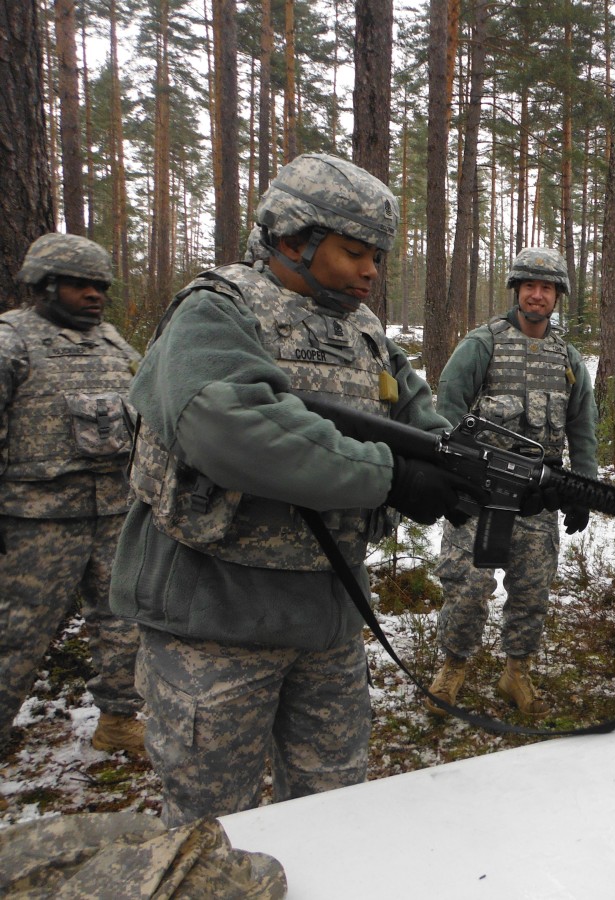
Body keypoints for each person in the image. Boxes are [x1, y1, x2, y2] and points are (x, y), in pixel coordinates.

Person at [110, 153, 469, 826]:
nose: (370, 271)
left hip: (326, 622)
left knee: (331, 813)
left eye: (378, 257)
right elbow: (228, 425)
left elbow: (422, 424)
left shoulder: (366, 336)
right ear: (291, 238)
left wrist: (480, 475)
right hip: (213, 621)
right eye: (354, 251)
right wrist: (391, 478)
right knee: (213, 830)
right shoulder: (216, 310)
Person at [425, 247, 597, 716]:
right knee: (468, 585)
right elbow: (446, 415)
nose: (537, 295)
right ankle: (453, 669)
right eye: (529, 286)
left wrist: (582, 486)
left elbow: (582, 425)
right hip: (479, 496)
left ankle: (516, 672)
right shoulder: (482, 345)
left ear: (557, 296)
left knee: (532, 589)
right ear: (516, 291)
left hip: (535, 499)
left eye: (546, 288)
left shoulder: (568, 358)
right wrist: (455, 480)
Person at [0, 233, 144, 757]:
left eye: (100, 286)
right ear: (44, 284)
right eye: (79, 285)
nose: (93, 295)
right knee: (17, 633)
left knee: (122, 624)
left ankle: (119, 721)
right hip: (35, 521)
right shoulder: (11, 342)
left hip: (114, 511)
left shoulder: (114, 345)